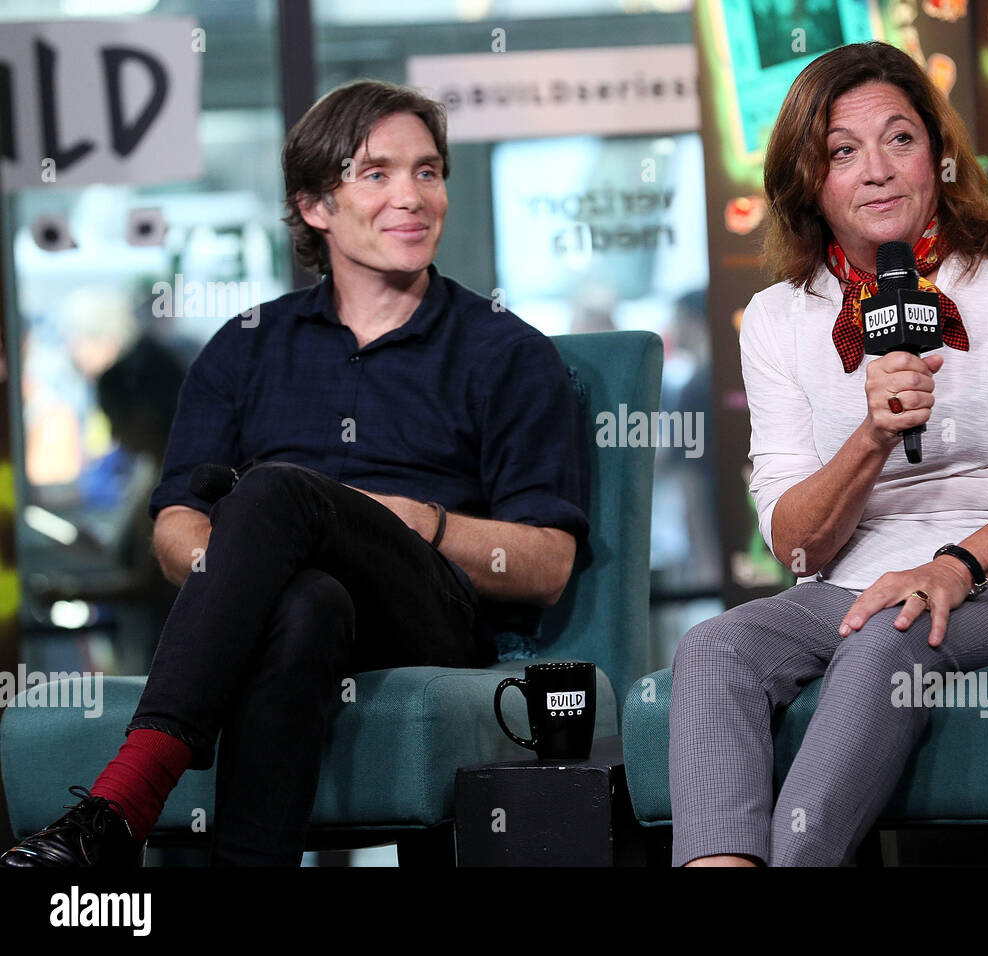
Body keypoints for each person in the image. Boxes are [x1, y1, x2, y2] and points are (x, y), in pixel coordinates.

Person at [2, 79, 588, 867]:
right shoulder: (245, 346)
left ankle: (125, 797)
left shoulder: (507, 351)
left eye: (427, 171)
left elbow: (547, 564)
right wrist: (254, 563)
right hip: (290, 612)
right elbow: (175, 527)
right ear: (315, 205)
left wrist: (414, 520)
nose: (412, 197)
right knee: (306, 599)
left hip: (427, 612)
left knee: (277, 489)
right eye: (376, 174)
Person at [668, 41, 988, 867]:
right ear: (809, 184)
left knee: (895, 626)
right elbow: (797, 543)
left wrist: (953, 567)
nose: (877, 170)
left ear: (939, 152)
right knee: (714, 647)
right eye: (842, 153)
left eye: (900, 139)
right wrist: (872, 437)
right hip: (854, 587)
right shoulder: (781, 316)